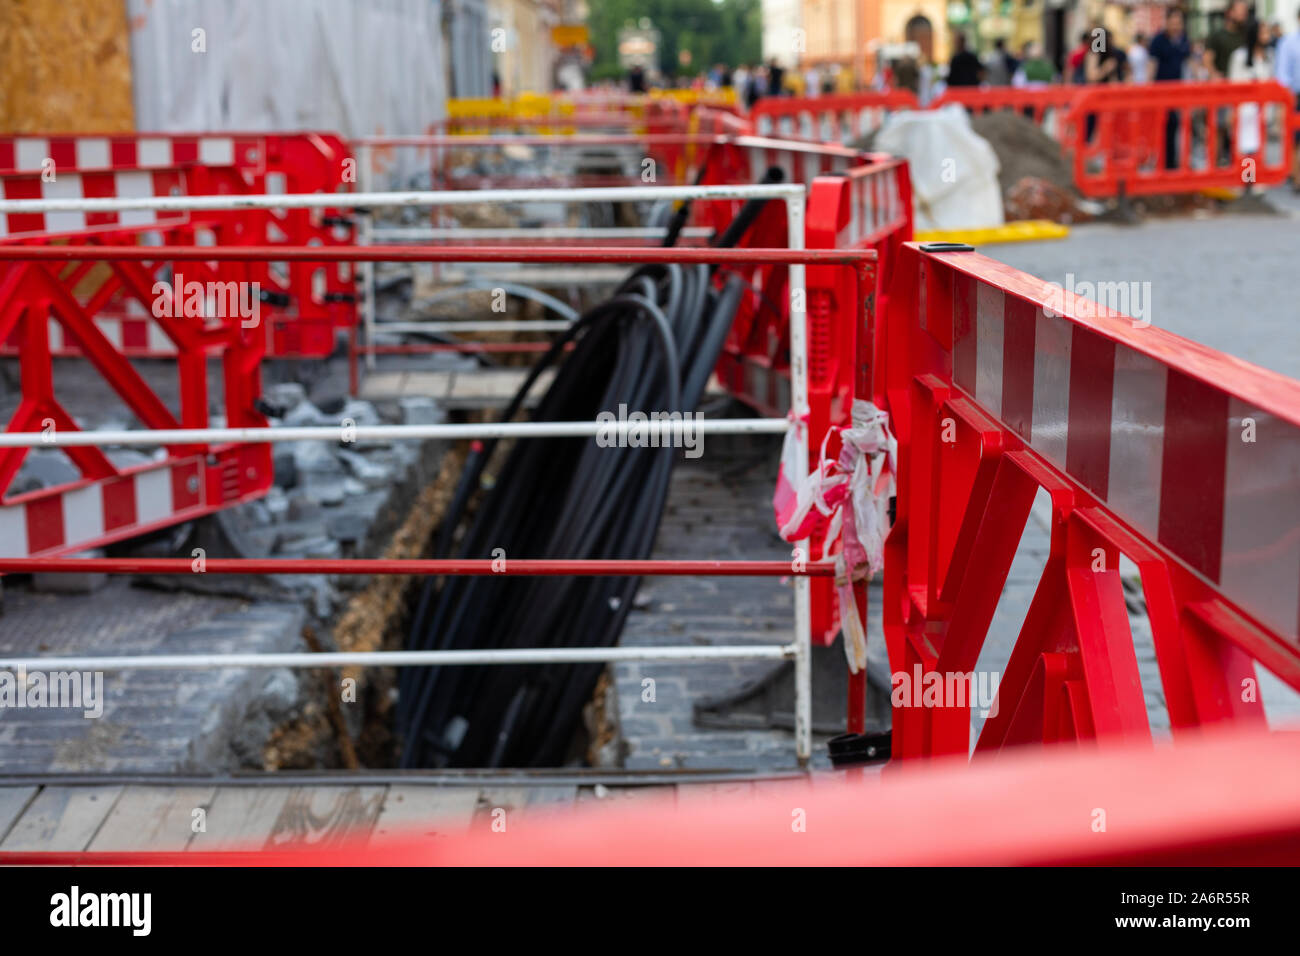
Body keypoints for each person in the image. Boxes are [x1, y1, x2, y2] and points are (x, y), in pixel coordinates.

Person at [1150, 8, 1192, 169]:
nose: (1176, 26)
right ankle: (1160, 162)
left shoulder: (1183, 40)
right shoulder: (1158, 41)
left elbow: (1189, 63)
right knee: (1161, 127)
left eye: (1178, 22)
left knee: (1175, 126)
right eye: (1173, 22)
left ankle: (1171, 163)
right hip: (1160, 91)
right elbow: (1151, 66)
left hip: (1178, 92)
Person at [1228, 16, 1275, 159]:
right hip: (1245, 113)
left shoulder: (1270, 56)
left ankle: (1256, 179)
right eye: (1263, 32)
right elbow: (1234, 85)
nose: (1267, 35)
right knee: (1244, 155)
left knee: (1259, 154)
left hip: (1262, 112)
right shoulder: (1240, 56)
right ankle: (1247, 179)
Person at [1277, 11, 1300, 186]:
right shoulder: (1289, 42)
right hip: (1295, 96)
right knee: (1295, 139)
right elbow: (1282, 73)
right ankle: (1296, 177)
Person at [1206, 0, 1250, 79]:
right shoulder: (1218, 36)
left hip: (1242, 83)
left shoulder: (1247, 35)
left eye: (1245, 11)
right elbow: (1208, 59)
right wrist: (1214, 74)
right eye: (1240, 11)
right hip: (1225, 85)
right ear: (1230, 12)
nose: (1244, 14)